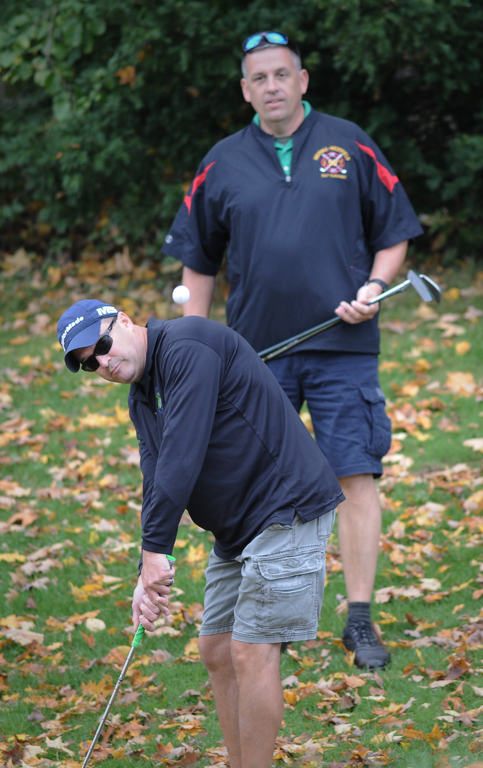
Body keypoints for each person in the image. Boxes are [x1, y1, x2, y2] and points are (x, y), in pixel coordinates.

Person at [161, 31, 424, 669]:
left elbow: (394, 233)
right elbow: (198, 262)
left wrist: (374, 287)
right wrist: (194, 351)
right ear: (245, 90)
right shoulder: (222, 162)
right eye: (260, 78)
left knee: (353, 474)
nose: (272, 86)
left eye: (282, 74)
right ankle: (262, 615)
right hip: (254, 358)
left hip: (344, 347)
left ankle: (358, 619)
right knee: (255, 484)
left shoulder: (349, 143)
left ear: (302, 80)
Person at [57, 299, 344, 768]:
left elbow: (182, 455)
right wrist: (147, 568)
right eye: (90, 364)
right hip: (237, 528)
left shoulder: (189, 345)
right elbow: (156, 477)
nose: (102, 363)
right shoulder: (141, 397)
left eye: (102, 345)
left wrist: (157, 549)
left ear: (125, 321)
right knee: (216, 649)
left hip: (284, 508)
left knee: (249, 652)